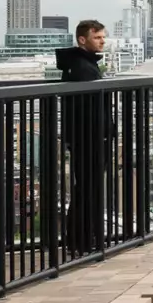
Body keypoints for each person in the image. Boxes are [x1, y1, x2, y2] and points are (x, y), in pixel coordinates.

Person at [55, 20, 107, 253]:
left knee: (85, 188)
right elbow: (89, 108)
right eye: (97, 38)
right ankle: (83, 241)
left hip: (84, 137)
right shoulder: (83, 68)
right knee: (87, 189)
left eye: (103, 37)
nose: (102, 41)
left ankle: (82, 239)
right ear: (82, 39)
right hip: (88, 138)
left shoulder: (80, 64)